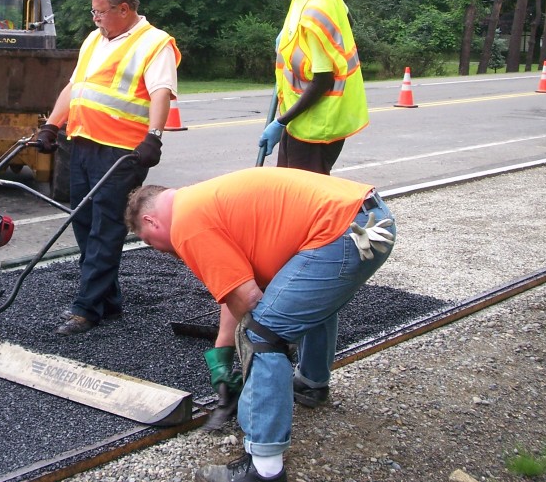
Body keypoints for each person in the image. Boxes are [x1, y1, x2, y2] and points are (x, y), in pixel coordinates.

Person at [125, 167, 396, 482]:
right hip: (366, 218)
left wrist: (258, 358)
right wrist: (222, 351)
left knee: (263, 333)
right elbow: (236, 287)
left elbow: (251, 303)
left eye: (149, 241)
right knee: (301, 304)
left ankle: (264, 468)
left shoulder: (187, 225)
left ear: (151, 221)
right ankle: (311, 382)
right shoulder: (201, 201)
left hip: (344, 235)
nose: (157, 249)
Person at [34, 0, 180, 336]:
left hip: (121, 151)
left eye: (101, 12)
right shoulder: (93, 40)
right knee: (84, 222)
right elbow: (76, 86)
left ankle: (87, 309)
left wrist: (154, 137)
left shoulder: (154, 43)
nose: (95, 18)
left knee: (106, 227)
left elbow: (161, 92)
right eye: (94, 11)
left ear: (124, 9)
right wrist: (53, 125)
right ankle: (107, 299)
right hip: (81, 142)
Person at [258, 0, 368, 175]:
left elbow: (324, 79)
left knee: (305, 198)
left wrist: (280, 122)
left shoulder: (315, 14)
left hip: (318, 125)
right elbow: (347, 17)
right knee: (286, 187)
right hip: (300, 118)